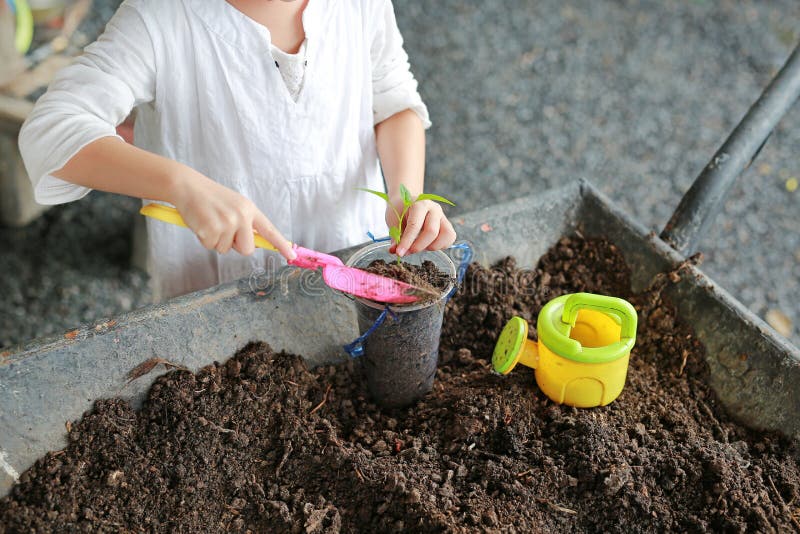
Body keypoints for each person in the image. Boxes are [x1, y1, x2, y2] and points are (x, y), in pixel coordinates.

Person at [19, 0, 456, 300]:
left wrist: (405, 196)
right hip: (213, 283)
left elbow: (394, 102)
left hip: (349, 258)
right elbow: (53, 127)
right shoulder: (158, 20)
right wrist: (182, 184)